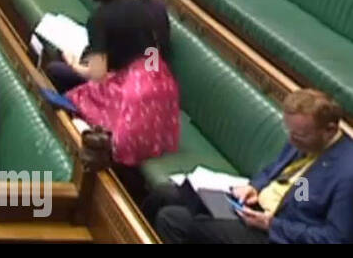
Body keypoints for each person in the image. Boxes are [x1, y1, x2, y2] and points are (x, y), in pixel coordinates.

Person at [144, 88, 353, 244]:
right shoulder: (303, 138)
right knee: (165, 194)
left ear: (329, 129)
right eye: (289, 131)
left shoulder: (346, 174)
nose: (291, 140)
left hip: (274, 233)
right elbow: (274, 171)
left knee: (172, 219)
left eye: (299, 135)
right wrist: (255, 186)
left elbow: (335, 238)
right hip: (250, 208)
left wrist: (272, 225)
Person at [65, 0, 180, 170]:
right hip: (147, 83)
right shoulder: (153, 15)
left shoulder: (103, 17)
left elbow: (98, 74)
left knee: (77, 99)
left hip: (135, 94)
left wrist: (74, 65)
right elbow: (152, 54)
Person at [44, 0, 172, 93]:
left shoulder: (101, 19)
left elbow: (98, 76)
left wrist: (73, 64)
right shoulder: (158, 7)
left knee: (55, 69)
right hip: (157, 81)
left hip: (127, 90)